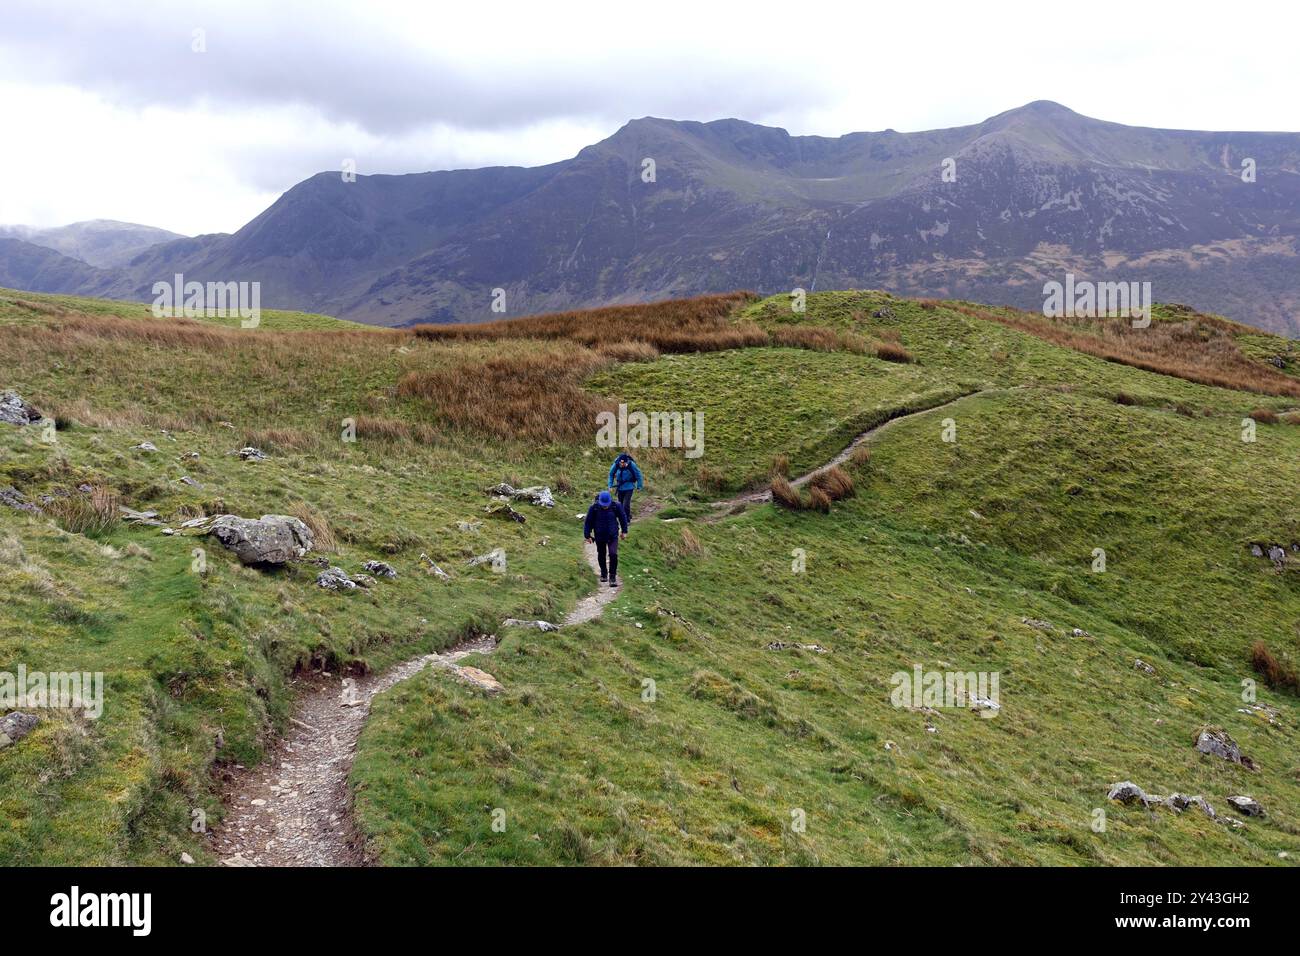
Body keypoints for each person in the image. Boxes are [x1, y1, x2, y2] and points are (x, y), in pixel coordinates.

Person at [584, 489, 628, 587]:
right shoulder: (594, 508)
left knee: (613, 554)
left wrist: (624, 531)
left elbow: (623, 518)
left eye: (606, 504)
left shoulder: (616, 506)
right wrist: (587, 535)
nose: (605, 506)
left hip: (613, 535)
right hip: (599, 535)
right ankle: (604, 573)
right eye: (603, 505)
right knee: (601, 554)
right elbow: (588, 522)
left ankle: (612, 577)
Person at [607, 452, 644, 521]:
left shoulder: (632, 465)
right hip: (620, 487)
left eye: (624, 463)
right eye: (621, 463)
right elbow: (611, 474)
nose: (622, 464)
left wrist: (639, 486)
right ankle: (628, 515)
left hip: (629, 487)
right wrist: (610, 485)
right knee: (620, 505)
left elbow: (638, 475)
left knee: (626, 504)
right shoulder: (616, 464)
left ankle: (626, 520)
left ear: (627, 462)